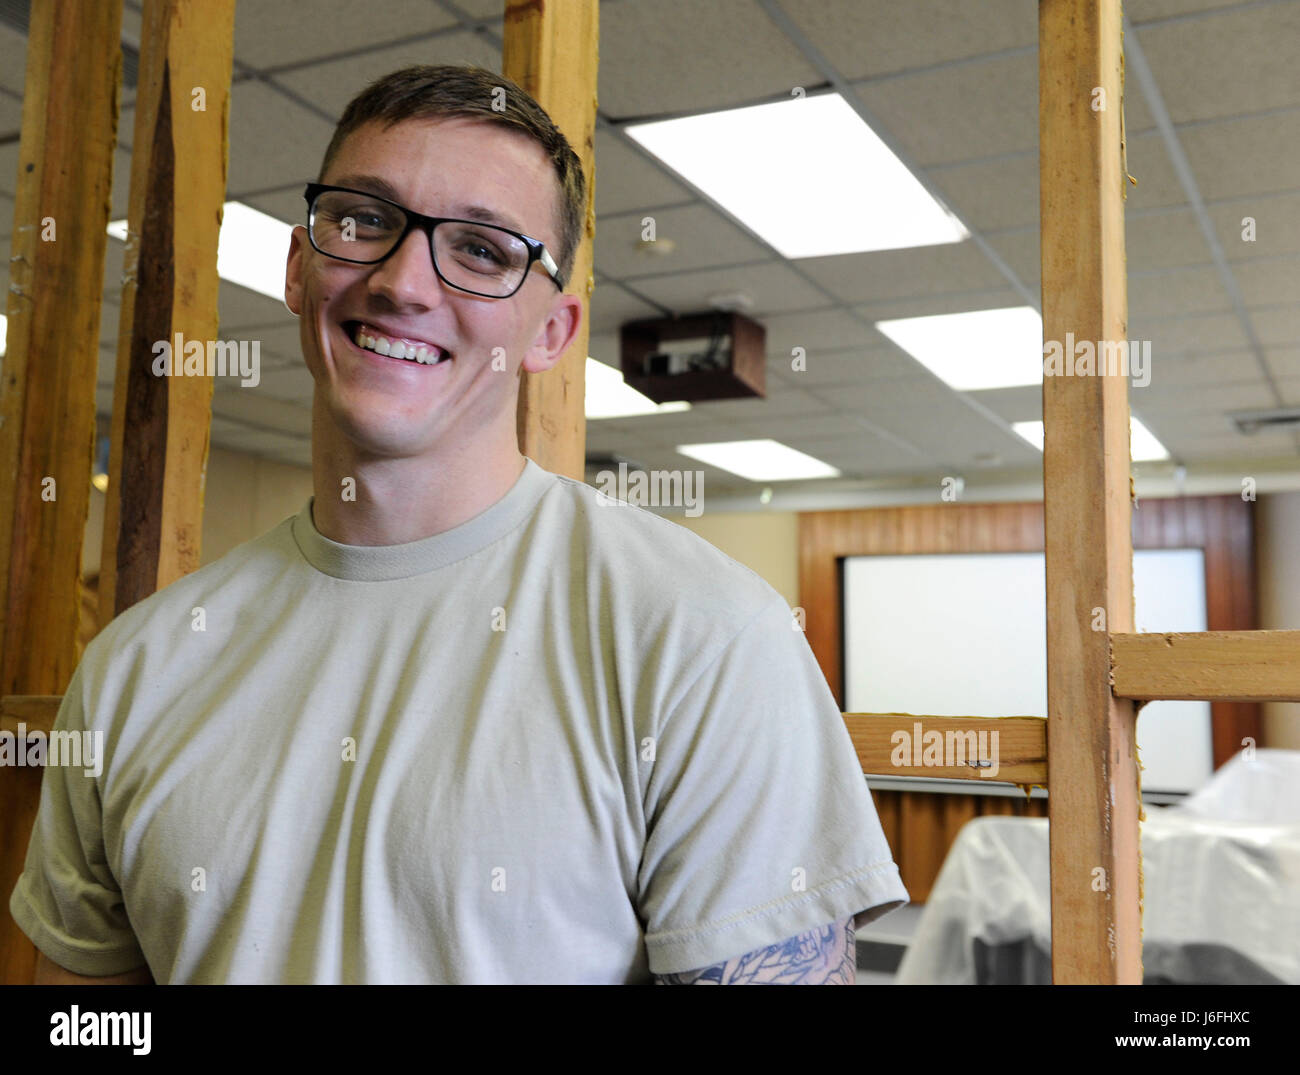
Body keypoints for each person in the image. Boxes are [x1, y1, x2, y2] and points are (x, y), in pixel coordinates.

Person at [10, 64, 907, 985]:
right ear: (297, 267)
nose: (403, 281)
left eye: (481, 249)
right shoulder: (134, 670)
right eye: (364, 219)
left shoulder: (704, 638)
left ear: (552, 333)